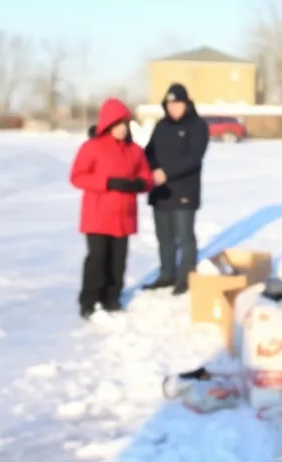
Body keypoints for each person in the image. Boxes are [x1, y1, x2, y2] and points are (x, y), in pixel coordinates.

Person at [70, 98, 154, 319]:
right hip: (97, 216)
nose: (123, 129)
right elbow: (77, 177)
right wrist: (107, 182)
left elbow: (146, 176)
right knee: (97, 259)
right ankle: (89, 300)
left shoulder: (135, 150)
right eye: (118, 124)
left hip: (124, 216)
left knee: (118, 261)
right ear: (107, 124)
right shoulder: (92, 147)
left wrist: (140, 184)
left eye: (125, 124)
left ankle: (112, 297)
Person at [142, 83, 210, 295]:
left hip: (184, 191)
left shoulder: (197, 126)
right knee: (164, 237)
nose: (173, 108)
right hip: (160, 192)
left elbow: (193, 158)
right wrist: (152, 169)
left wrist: (166, 173)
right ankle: (167, 273)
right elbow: (149, 151)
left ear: (186, 104)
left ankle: (186, 276)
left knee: (184, 236)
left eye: (177, 104)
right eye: (170, 104)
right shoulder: (162, 125)